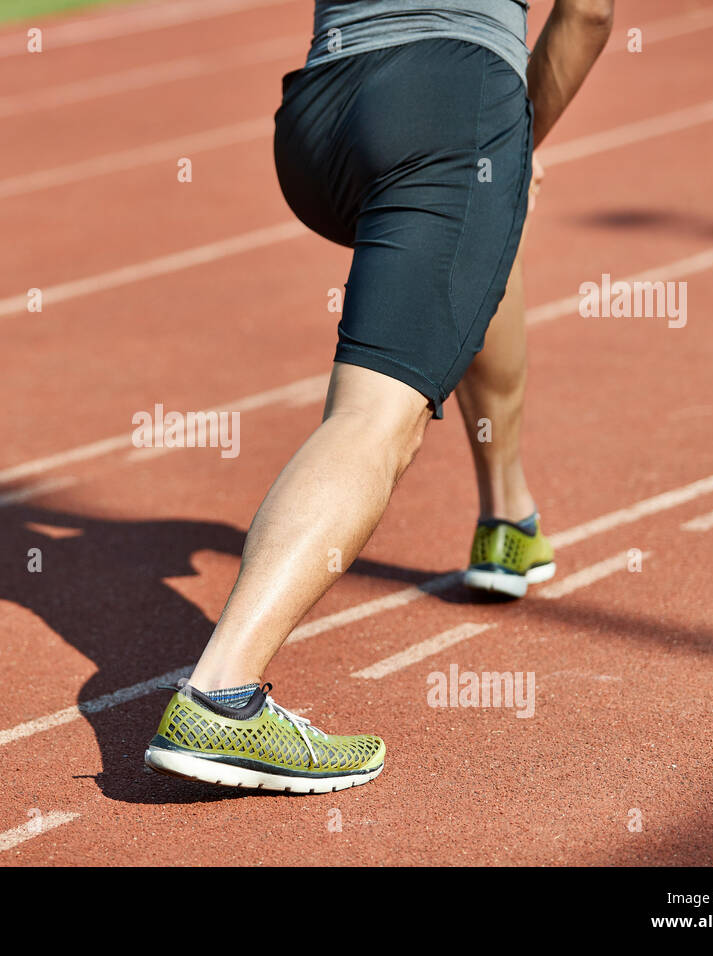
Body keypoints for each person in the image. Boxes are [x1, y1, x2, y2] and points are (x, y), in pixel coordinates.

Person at [144, 0, 614, 793]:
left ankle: (509, 517)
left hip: (319, 113)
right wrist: (511, 132)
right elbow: (591, 13)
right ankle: (222, 698)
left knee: (479, 235)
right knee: (372, 417)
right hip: (445, 98)